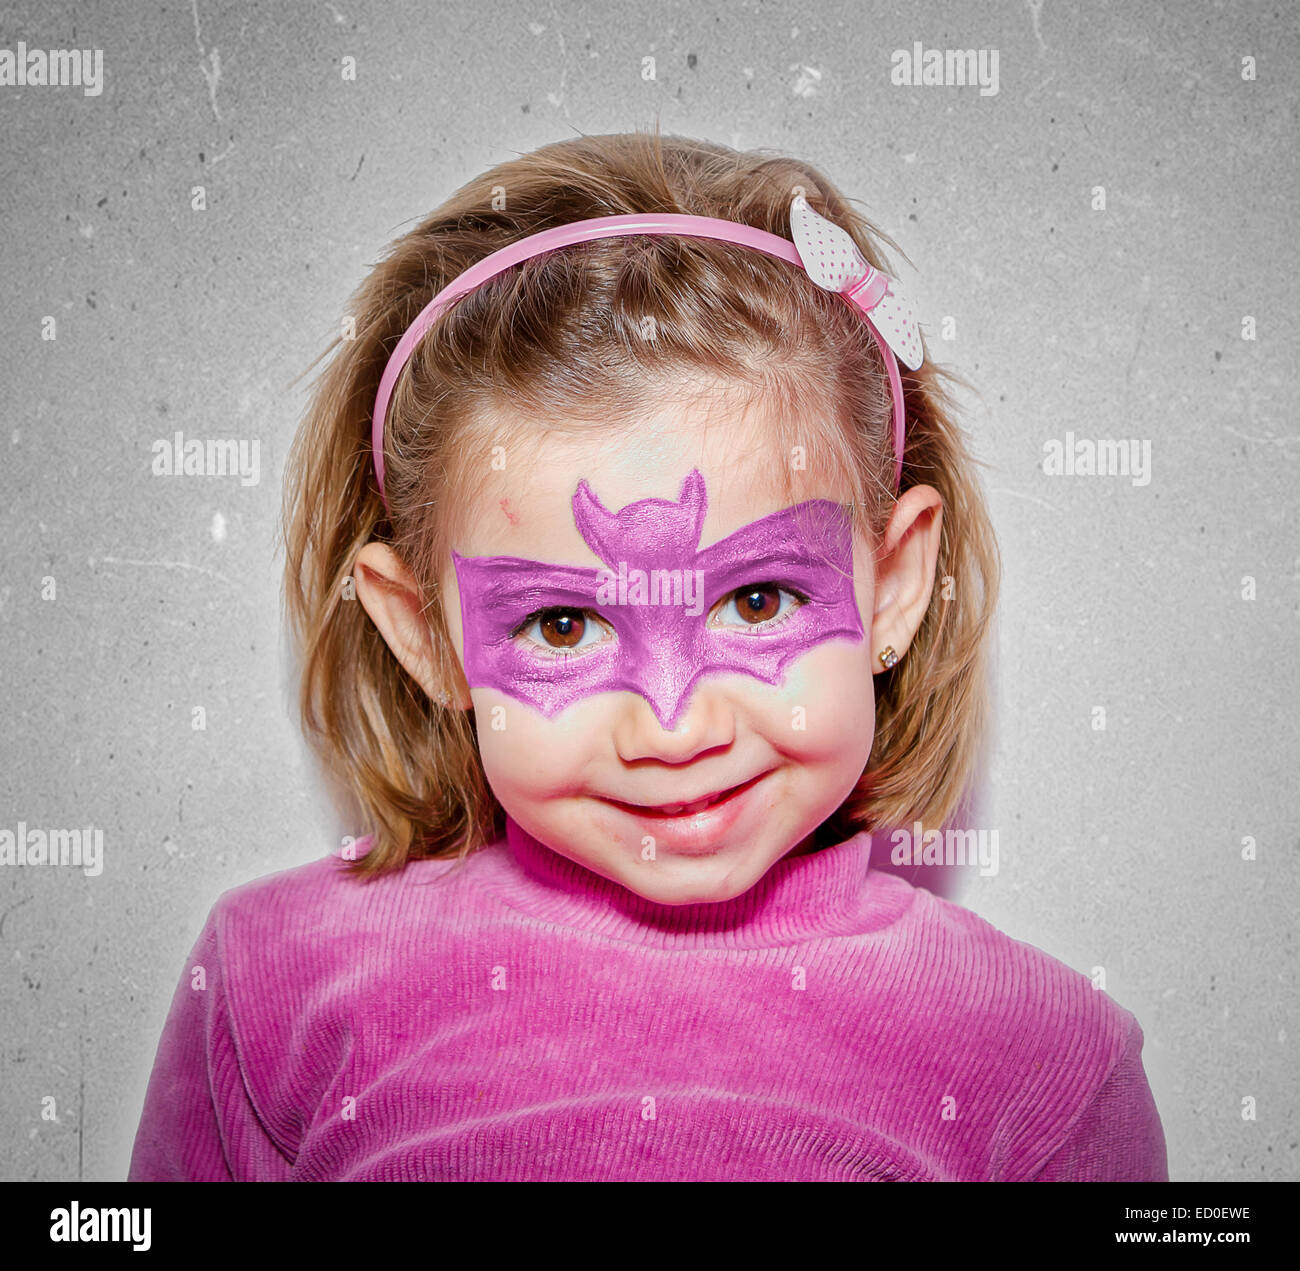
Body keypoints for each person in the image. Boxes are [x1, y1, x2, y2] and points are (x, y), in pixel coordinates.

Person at [128, 129, 1167, 1181]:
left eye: (757, 599)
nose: (674, 725)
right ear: (426, 635)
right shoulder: (272, 983)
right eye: (562, 626)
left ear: (893, 581)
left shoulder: (1045, 1061)